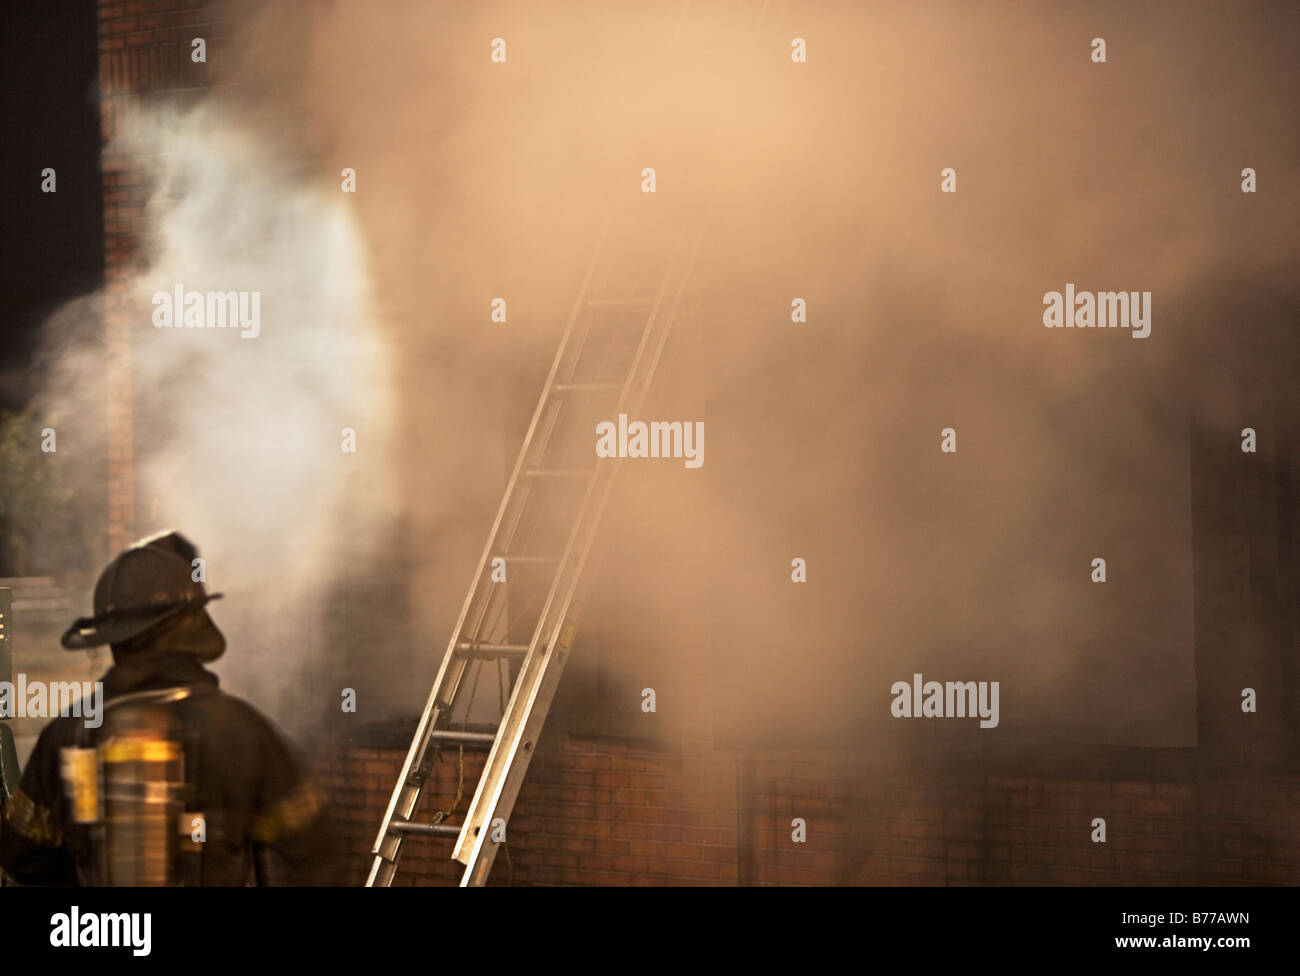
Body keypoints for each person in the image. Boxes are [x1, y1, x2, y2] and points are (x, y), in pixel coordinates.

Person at [1, 530, 337, 885]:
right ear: (190, 623)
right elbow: (317, 854)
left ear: (113, 636)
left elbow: (21, 854)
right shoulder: (242, 731)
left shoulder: (67, 734)